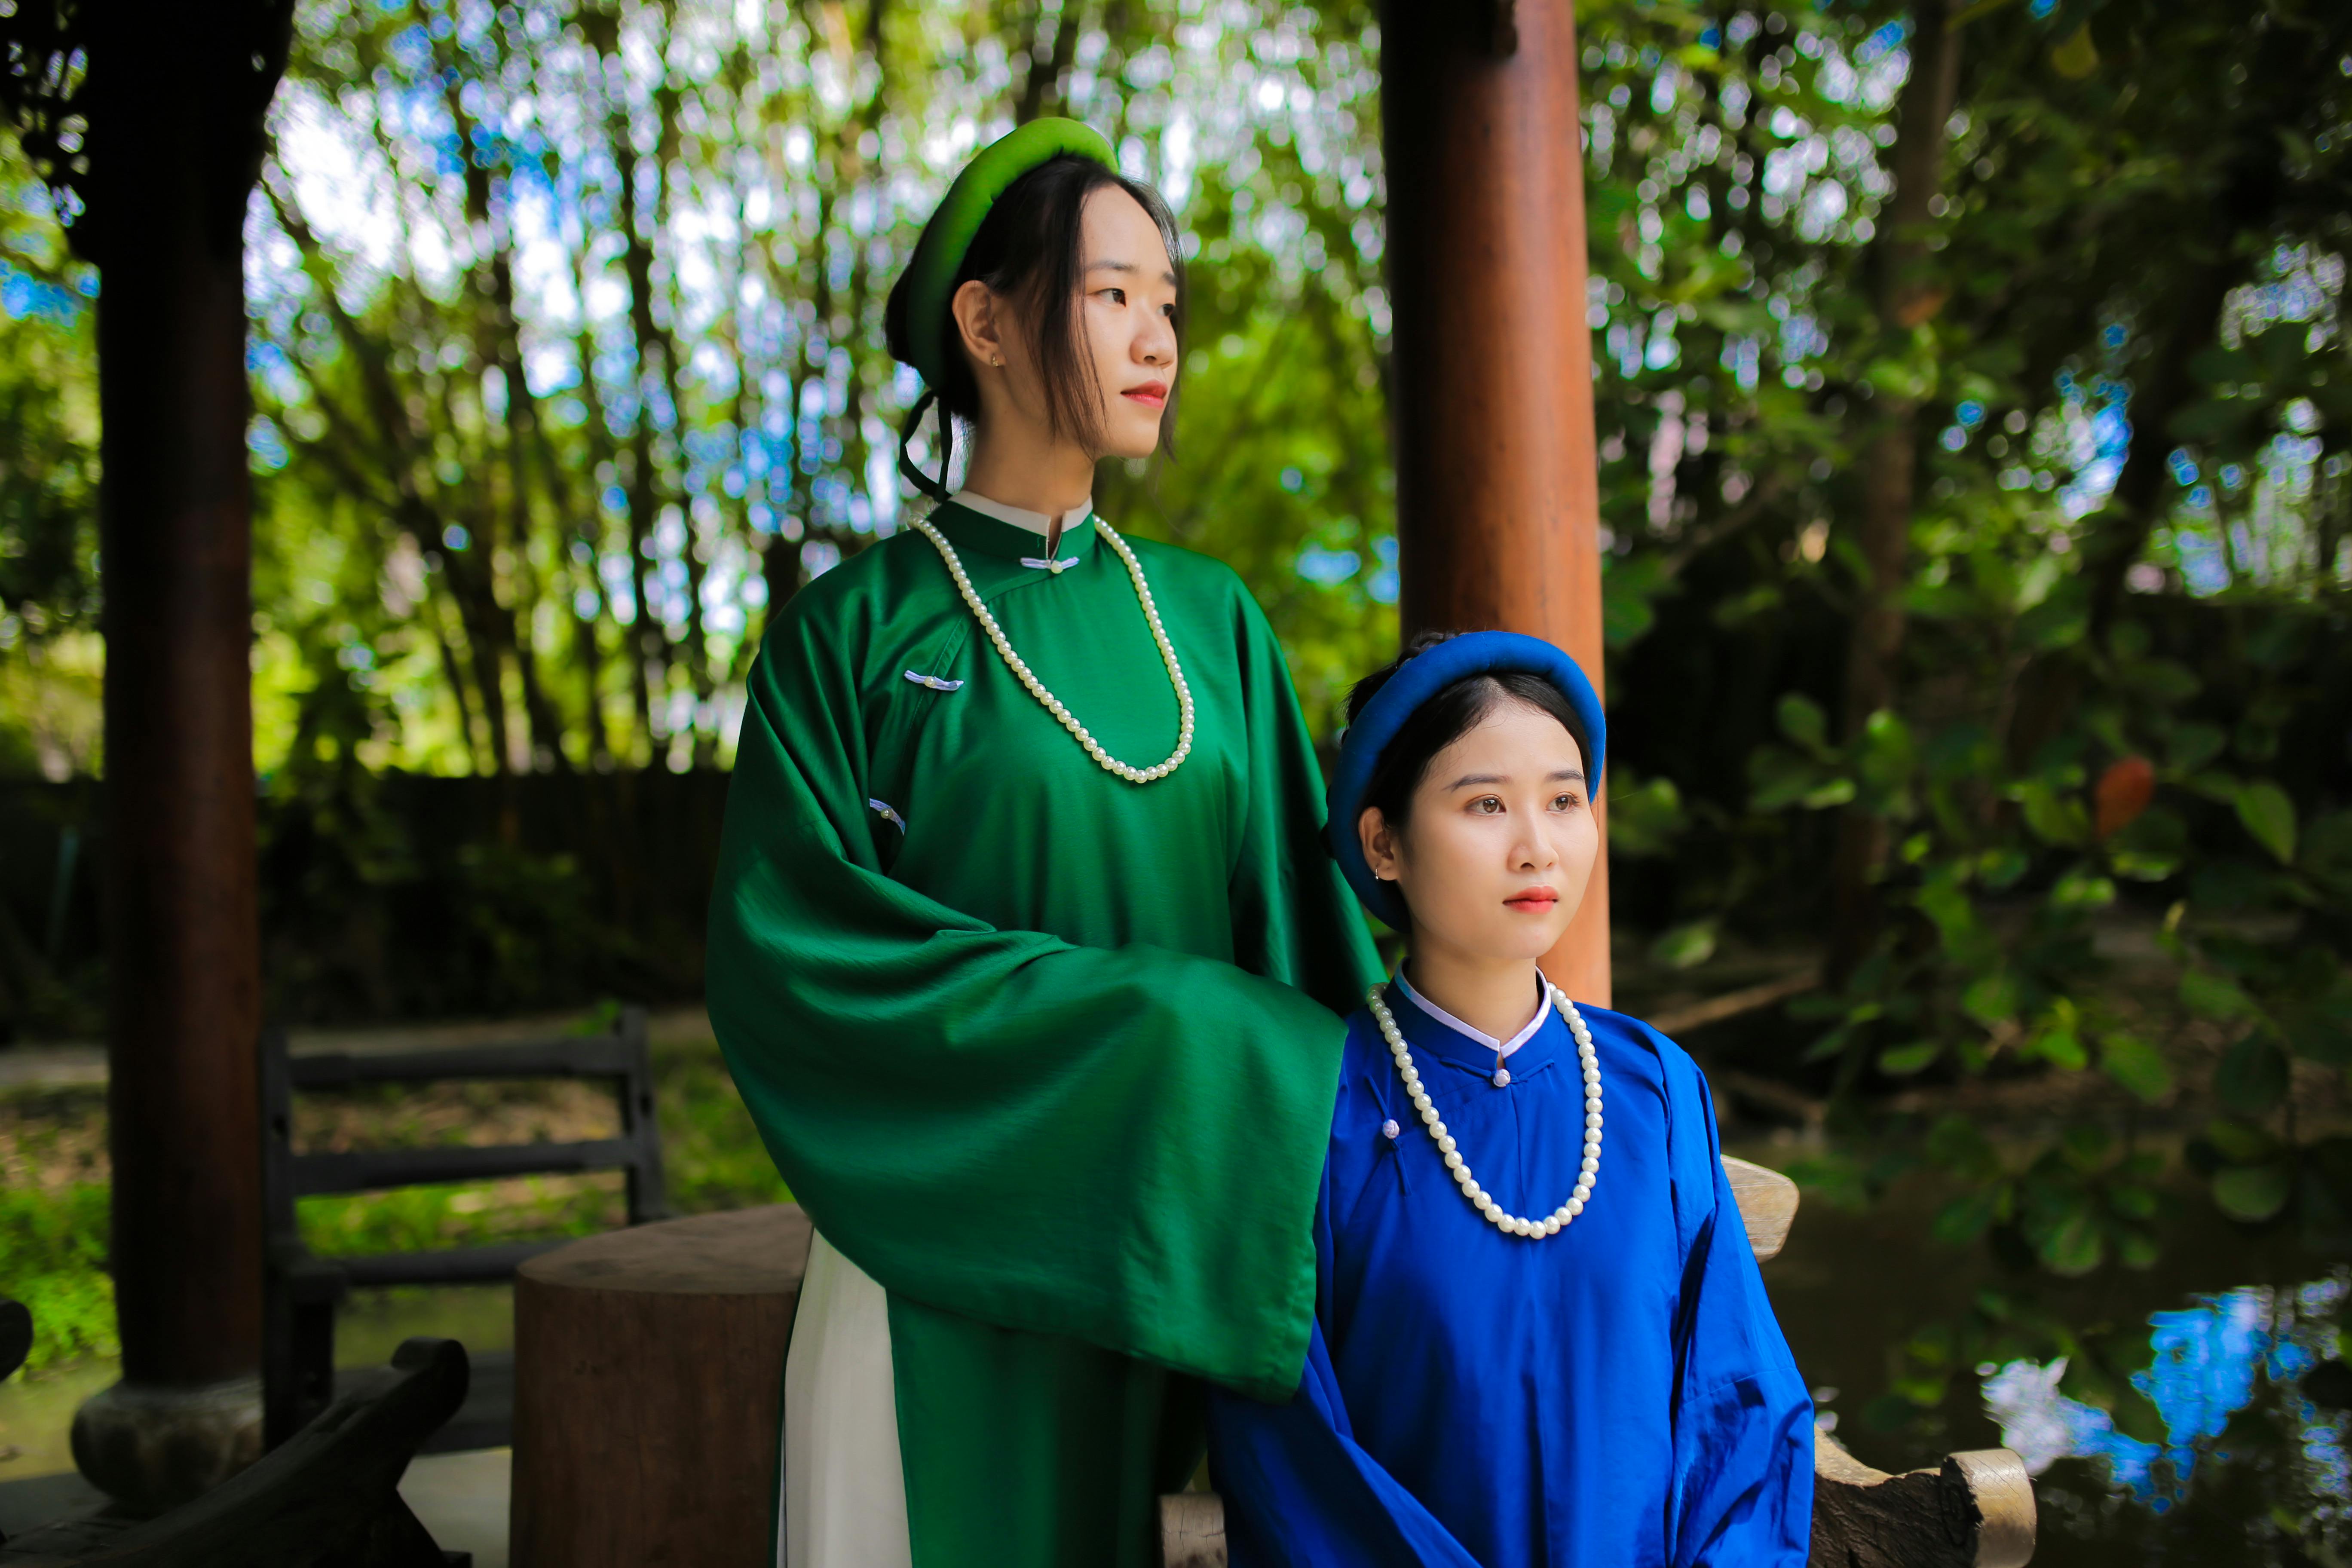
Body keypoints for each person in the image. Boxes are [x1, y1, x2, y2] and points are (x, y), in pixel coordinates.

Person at [704, 118, 1381, 1568]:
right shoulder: (855, 632)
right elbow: (794, 962)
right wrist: (1163, 1018)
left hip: (1174, 1251)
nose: (1159, 338)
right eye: (1112, 293)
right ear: (987, 320)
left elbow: (1310, 942)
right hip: (930, 1256)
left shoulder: (1212, 621)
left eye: (1168, 304)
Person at [1207, 630, 1816, 1568]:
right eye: (1485, 803)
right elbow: (1289, 1459)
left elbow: (1741, 1404)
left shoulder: (1654, 1090)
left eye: (1565, 800)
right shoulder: (1309, 1106)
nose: (1538, 847)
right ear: (1384, 843)